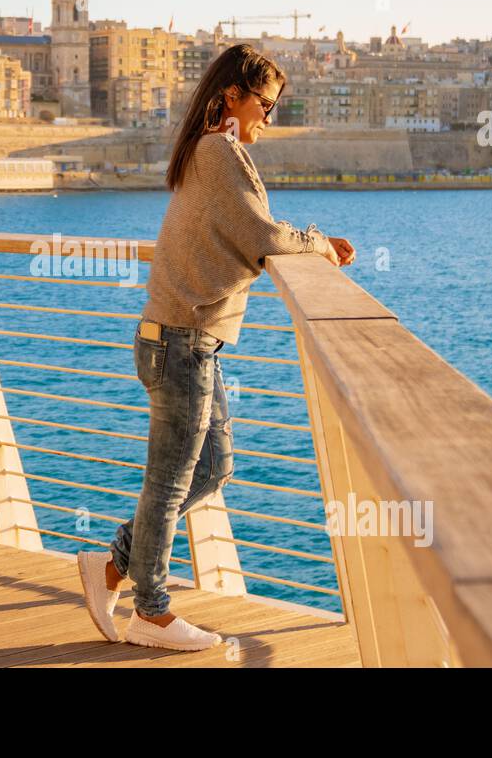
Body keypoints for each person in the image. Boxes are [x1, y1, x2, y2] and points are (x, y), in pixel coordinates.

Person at [76, 44, 355, 651]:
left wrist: (308, 241)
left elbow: (252, 232)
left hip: (191, 341)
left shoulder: (211, 150)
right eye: (265, 103)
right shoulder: (218, 151)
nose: (269, 118)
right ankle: (150, 613)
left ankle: (110, 570)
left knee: (211, 467)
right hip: (181, 342)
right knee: (171, 481)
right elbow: (260, 237)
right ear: (232, 93)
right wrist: (317, 243)